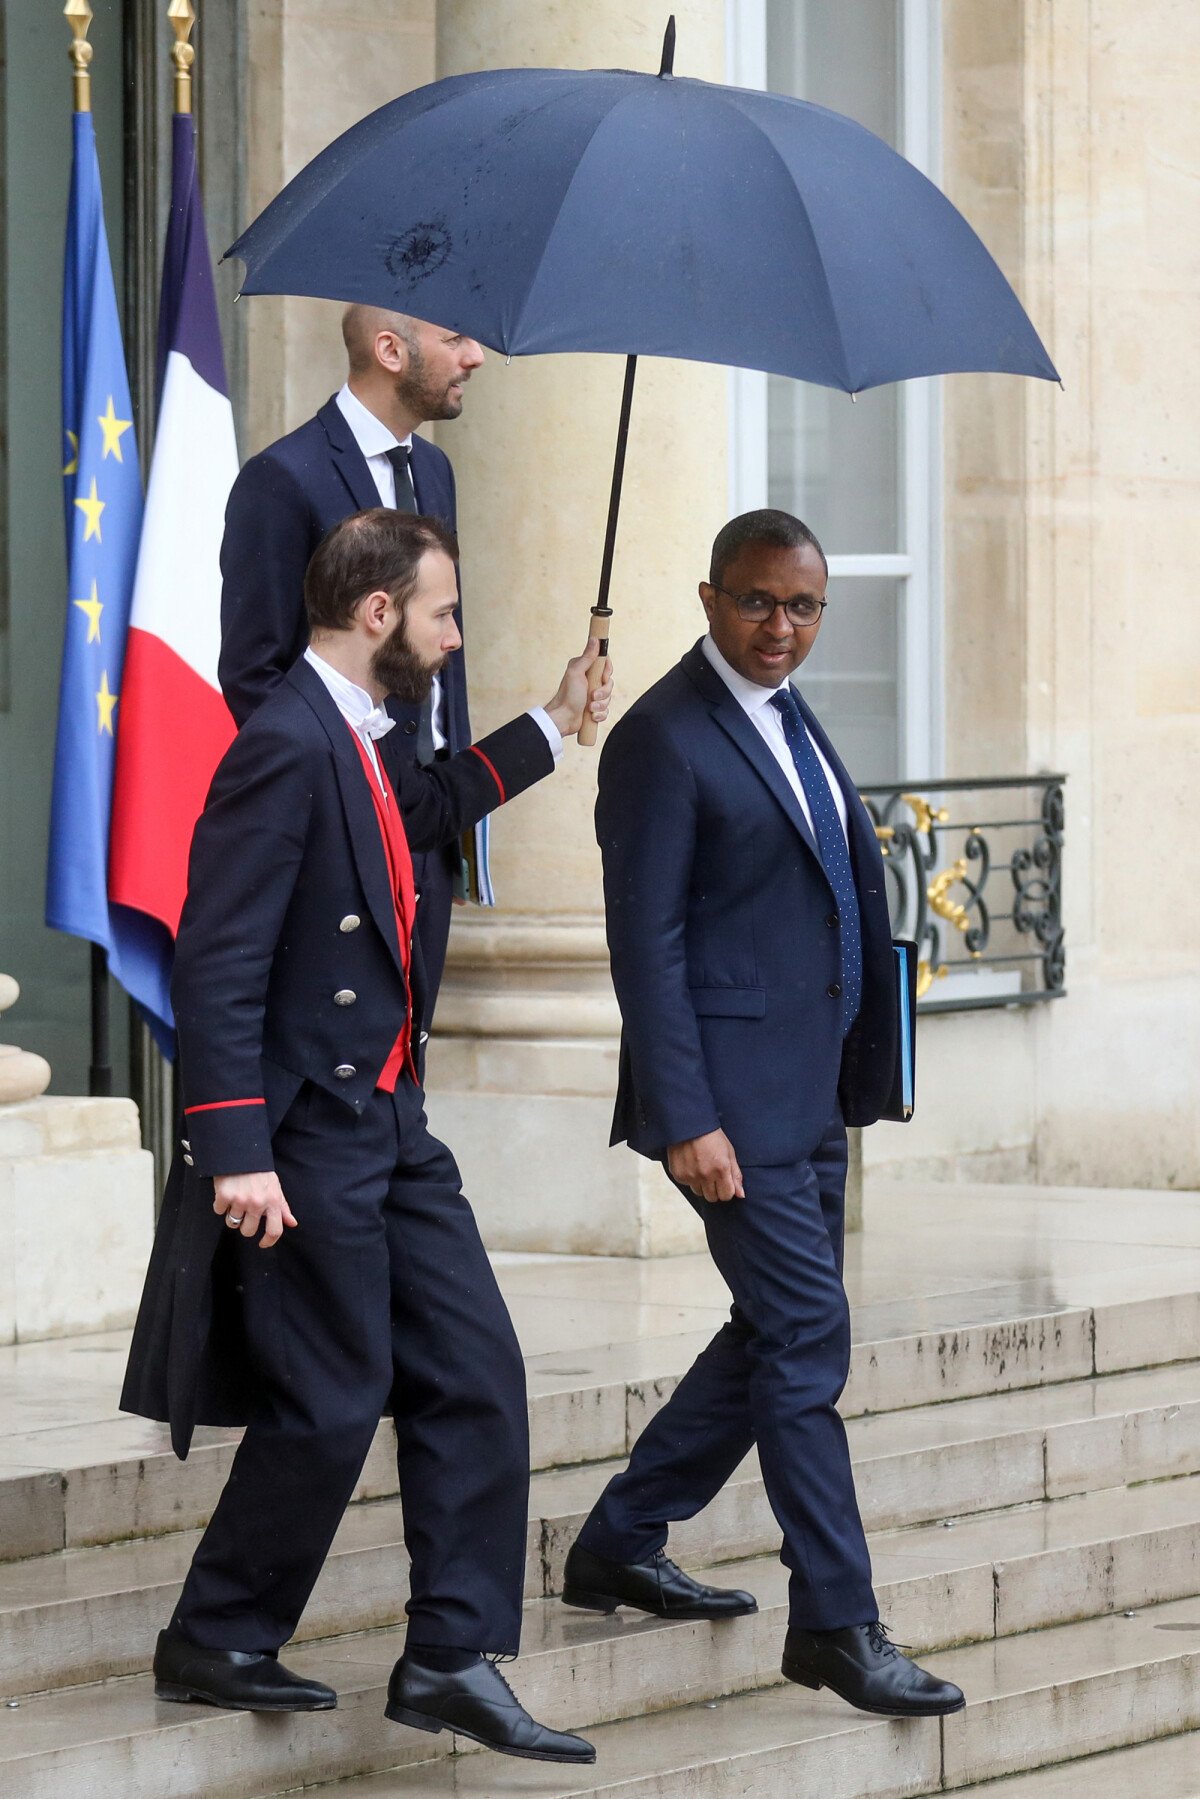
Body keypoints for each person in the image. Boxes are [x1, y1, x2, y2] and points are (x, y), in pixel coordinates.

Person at [121, 508, 611, 1766]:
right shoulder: (285, 742)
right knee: (333, 1398)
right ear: (379, 612)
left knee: (477, 1366)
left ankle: (450, 1653)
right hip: (308, 1127)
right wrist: (235, 1146)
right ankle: (219, 1630)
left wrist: (557, 721)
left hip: (391, 1120)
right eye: (444, 614)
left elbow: (434, 801)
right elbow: (217, 956)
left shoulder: (361, 737)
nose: (454, 639)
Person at [561, 509, 964, 1720]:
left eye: (802, 608)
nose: (779, 628)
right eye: (756, 603)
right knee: (806, 1344)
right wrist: (686, 1115)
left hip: (818, 1090)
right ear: (706, 595)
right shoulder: (661, 740)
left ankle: (619, 1539)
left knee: (775, 1329)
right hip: (729, 1109)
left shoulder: (791, 717)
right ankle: (837, 1621)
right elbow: (648, 944)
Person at [218, 307, 486, 1024]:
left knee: (410, 1055)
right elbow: (254, 674)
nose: (476, 355)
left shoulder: (433, 468)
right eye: (455, 336)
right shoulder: (283, 478)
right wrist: (344, 807)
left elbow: (438, 648)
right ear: (391, 349)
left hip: (429, 823)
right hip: (341, 829)